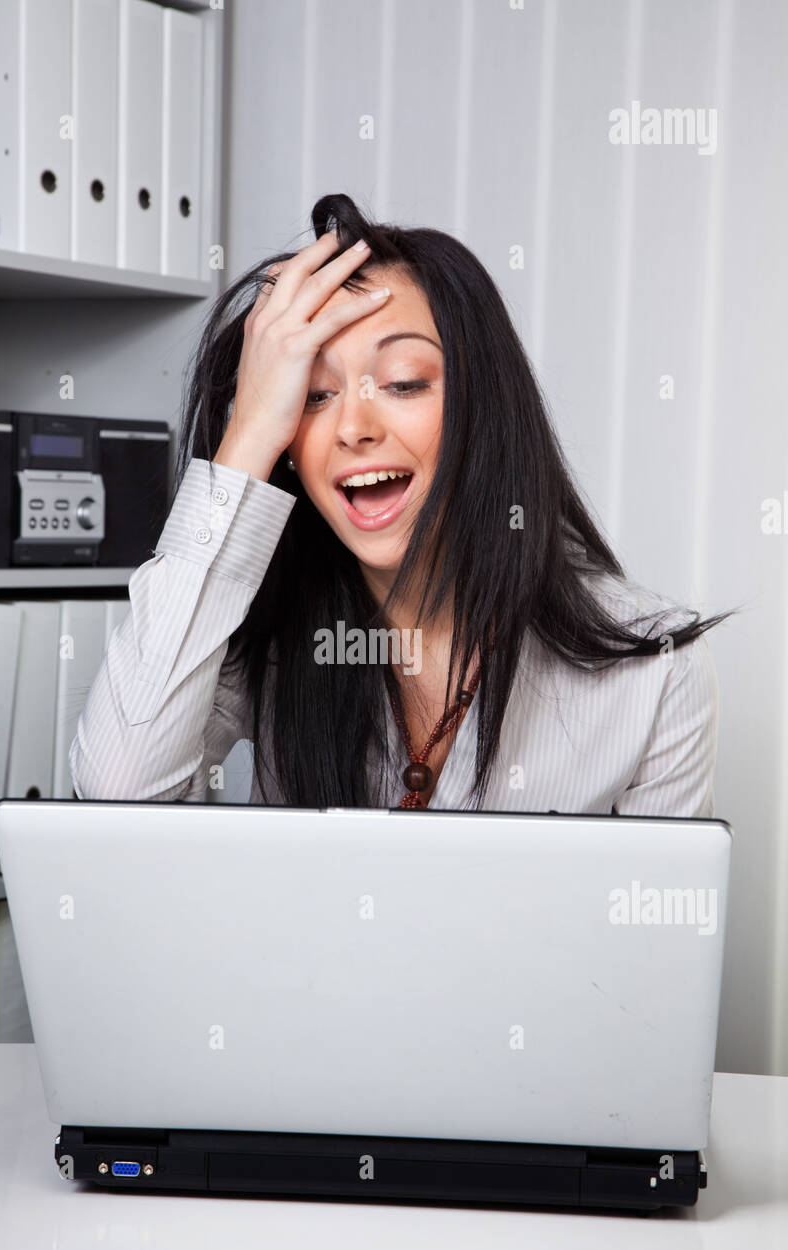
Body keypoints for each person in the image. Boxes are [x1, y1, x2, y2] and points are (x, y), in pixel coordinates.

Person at [71, 193, 731, 814]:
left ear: (482, 407)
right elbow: (114, 797)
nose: (354, 428)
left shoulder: (654, 671)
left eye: (403, 382)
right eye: (311, 396)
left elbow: (652, 933)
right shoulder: (257, 634)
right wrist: (246, 438)